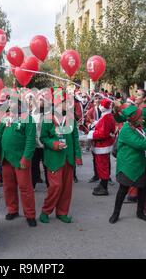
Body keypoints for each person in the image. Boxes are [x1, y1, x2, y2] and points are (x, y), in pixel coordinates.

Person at [109, 105, 146, 224]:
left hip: (141, 163)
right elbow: (139, 144)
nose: (143, 118)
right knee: (123, 189)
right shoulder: (126, 129)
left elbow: (142, 138)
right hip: (128, 165)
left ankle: (140, 212)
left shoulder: (139, 126)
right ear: (134, 118)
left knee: (143, 188)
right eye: (140, 116)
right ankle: (115, 214)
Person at [39, 91, 82, 224]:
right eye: (66, 102)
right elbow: (43, 138)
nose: (69, 105)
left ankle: (62, 212)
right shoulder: (48, 117)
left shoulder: (71, 118)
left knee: (66, 188)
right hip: (54, 158)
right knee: (55, 186)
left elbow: (75, 137)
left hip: (68, 158)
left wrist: (78, 155)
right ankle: (45, 211)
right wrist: (54, 144)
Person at [0, 103, 37, 227]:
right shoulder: (6, 119)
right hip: (6, 159)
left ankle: (30, 214)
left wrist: (26, 158)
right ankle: (12, 210)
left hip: (20, 159)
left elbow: (30, 140)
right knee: (8, 187)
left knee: (25, 188)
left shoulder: (28, 120)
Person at [88, 98, 116, 196]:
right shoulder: (107, 115)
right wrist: (96, 124)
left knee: (102, 166)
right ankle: (102, 184)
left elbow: (103, 133)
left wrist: (92, 134)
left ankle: (104, 187)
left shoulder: (106, 117)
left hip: (102, 146)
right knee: (102, 165)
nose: (99, 106)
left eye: (101, 105)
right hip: (103, 146)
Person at [85, 92, 103, 183]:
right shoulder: (91, 111)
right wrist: (90, 125)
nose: (98, 100)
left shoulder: (106, 110)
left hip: (104, 136)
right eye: (96, 99)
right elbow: (87, 122)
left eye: (100, 98)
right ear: (94, 101)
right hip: (95, 135)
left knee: (105, 157)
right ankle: (96, 175)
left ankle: (106, 177)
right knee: (95, 156)